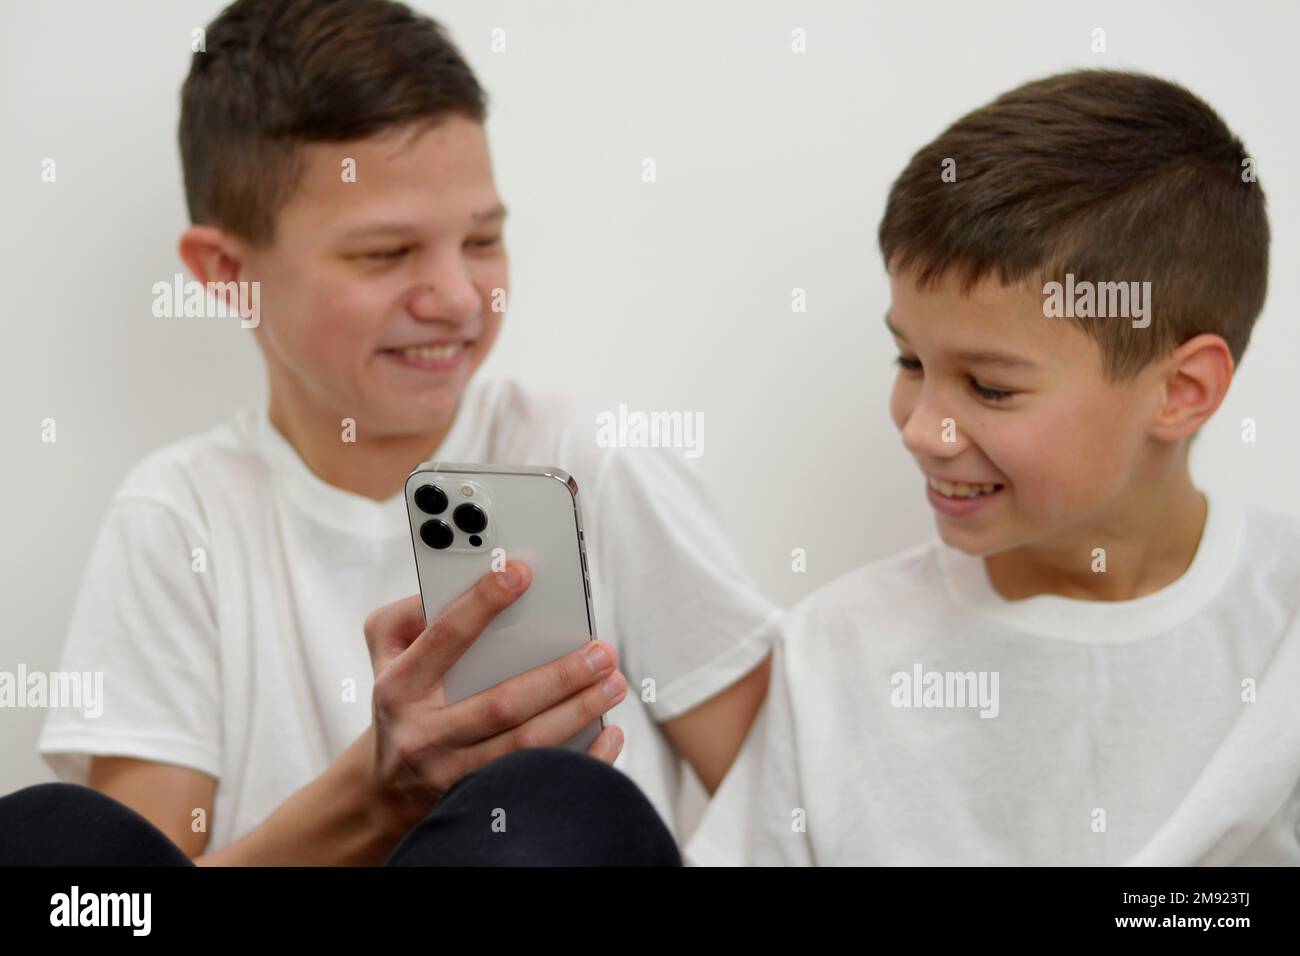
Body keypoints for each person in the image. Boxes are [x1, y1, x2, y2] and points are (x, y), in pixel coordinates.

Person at [32, 0, 779, 865]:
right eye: (386, 254)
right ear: (229, 274)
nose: (458, 299)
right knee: (51, 840)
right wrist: (378, 796)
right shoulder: (181, 517)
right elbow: (129, 904)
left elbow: (786, 803)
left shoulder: (594, 469)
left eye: (484, 240)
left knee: (550, 812)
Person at [686, 70, 1300, 866]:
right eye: (909, 359)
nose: (922, 429)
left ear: (1182, 392)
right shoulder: (836, 652)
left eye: (990, 387)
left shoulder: (1280, 628)